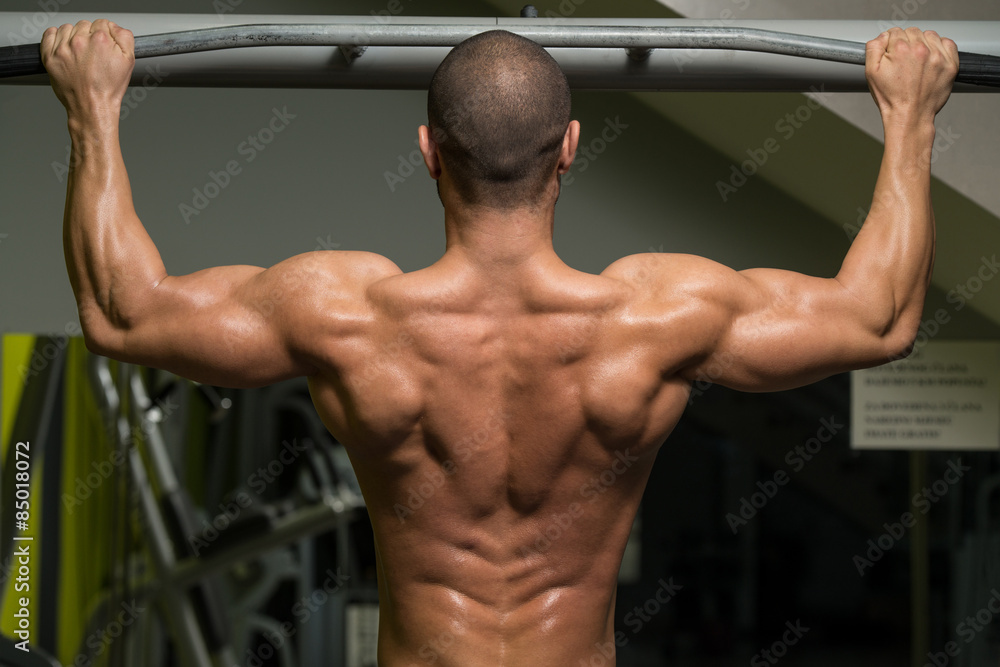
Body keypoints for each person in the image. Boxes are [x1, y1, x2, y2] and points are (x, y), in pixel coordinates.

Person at [41, 19, 957, 666]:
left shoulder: (347, 314)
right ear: (569, 148)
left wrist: (94, 109)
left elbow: (125, 311)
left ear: (429, 151)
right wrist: (909, 117)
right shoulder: (653, 317)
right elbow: (877, 317)